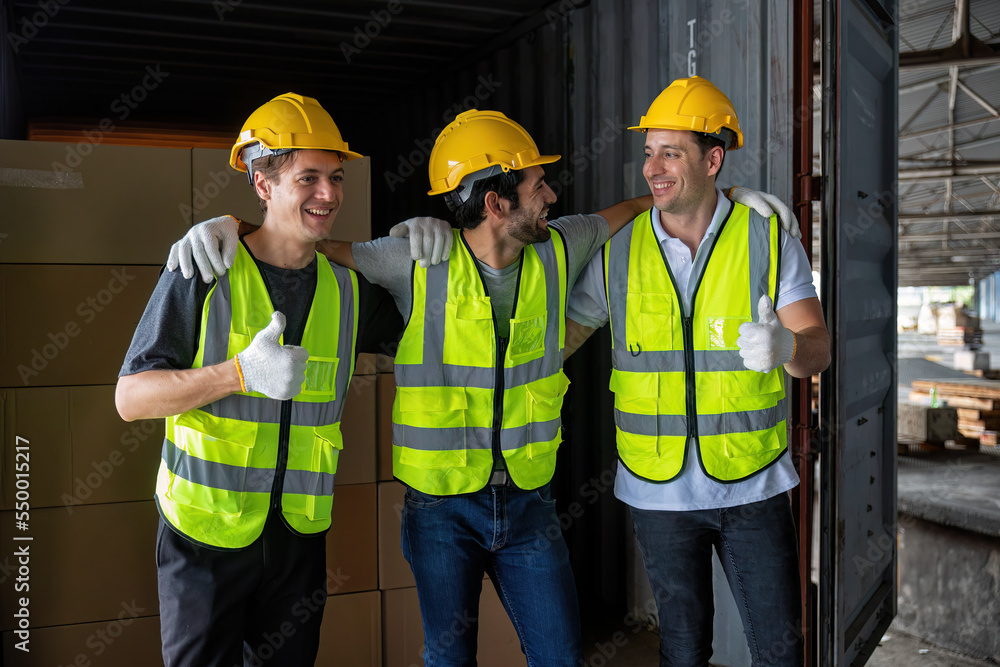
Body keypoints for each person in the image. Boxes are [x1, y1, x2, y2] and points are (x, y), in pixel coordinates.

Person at [169, 107, 801, 665]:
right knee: (448, 653)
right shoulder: (412, 262)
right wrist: (226, 224)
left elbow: (637, 208)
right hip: (440, 507)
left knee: (558, 653)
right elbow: (311, 242)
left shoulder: (560, 248)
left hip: (530, 503)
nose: (552, 195)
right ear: (497, 202)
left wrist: (734, 192)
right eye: (537, 184)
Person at [115, 92, 423, 666]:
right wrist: (238, 374)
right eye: (308, 178)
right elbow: (130, 398)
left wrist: (422, 250)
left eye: (335, 177)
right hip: (204, 539)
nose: (328, 194)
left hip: (297, 543)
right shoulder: (204, 269)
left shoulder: (349, 292)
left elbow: (437, 331)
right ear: (262, 183)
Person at [564, 76, 832, 667]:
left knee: (780, 653)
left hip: (753, 486)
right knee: (683, 654)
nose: (652, 168)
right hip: (656, 493)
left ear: (713, 160)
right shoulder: (616, 252)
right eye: (648, 152)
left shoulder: (767, 239)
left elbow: (819, 349)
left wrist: (787, 344)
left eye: (671, 152)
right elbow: (557, 341)